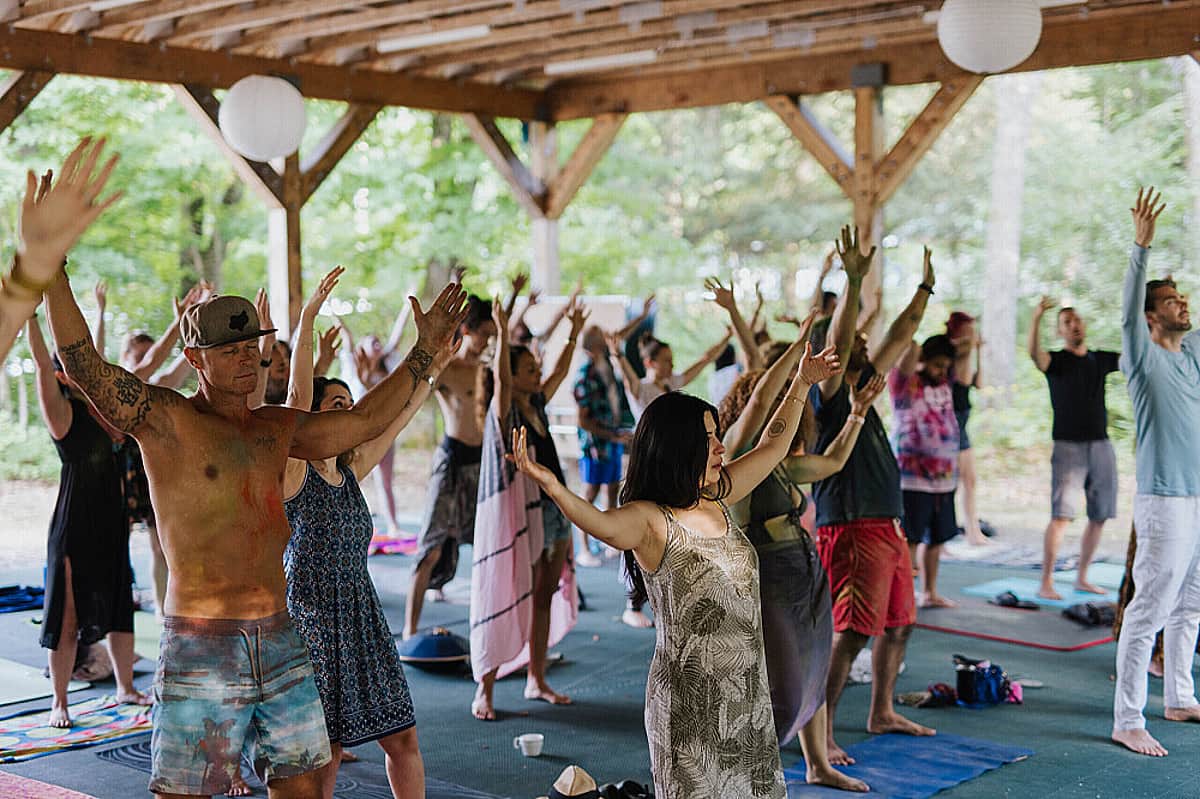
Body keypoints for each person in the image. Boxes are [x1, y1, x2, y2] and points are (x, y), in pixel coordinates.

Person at [38, 137, 468, 798]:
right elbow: (88, 370)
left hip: (283, 636)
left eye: (255, 346)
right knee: (187, 791)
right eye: (231, 348)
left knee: (300, 789)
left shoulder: (277, 429)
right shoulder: (168, 418)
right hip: (202, 638)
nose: (248, 358)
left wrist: (424, 355)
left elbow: (360, 424)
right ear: (196, 354)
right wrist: (52, 269)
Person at [509, 333, 840, 799]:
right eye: (709, 439)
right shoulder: (649, 520)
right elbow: (601, 525)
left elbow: (773, 446)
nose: (721, 447)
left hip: (746, 696)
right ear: (679, 446)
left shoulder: (718, 495)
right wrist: (552, 486)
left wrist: (802, 382)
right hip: (691, 708)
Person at [281, 265, 450, 799]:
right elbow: (293, 400)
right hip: (310, 619)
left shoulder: (352, 470)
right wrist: (306, 320)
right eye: (335, 407)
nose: (348, 414)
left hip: (363, 614)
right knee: (326, 752)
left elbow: (393, 420)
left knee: (402, 738)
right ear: (314, 417)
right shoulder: (293, 470)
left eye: (349, 407)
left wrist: (432, 368)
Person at [718, 314, 882, 794]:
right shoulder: (734, 455)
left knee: (815, 668)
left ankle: (817, 765)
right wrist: (798, 356)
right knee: (785, 686)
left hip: (806, 572)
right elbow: (762, 404)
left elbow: (832, 462)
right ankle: (749, 768)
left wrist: (857, 412)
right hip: (767, 576)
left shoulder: (785, 464)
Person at [812, 227, 937, 765]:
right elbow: (840, 341)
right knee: (853, 634)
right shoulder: (831, 393)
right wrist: (854, 277)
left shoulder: (865, 387)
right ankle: (824, 733)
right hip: (853, 525)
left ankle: (881, 709)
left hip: (886, 524)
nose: (864, 343)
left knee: (900, 623)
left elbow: (904, 333)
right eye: (853, 343)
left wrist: (924, 290)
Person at [27, 313, 151, 728]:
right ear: (64, 379)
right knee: (67, 615)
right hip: (74, 525)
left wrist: (92, 315)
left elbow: (90, 353)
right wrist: (32, 316)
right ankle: (58, 701)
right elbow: (44, 364)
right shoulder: (62, 416)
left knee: (120, 607)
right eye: (73, 372)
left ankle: (126, 686)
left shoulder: (104, 412)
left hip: (112, 522)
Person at [1113, 188, 1200, 758]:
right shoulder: (1141, 358)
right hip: (1163, 499)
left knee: (1192, 602)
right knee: (1151, 604)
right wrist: (1140, 249)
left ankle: (1179, 695)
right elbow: (1124, 314)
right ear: (1152, 316)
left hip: (1196, 498)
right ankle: (1127, 718)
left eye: (1183, 298)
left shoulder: (1192, 354)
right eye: (1171, 301)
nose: (1182, 305)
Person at [470, 299, 584, 720]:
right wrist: (501, 334)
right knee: (508, 589)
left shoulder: (536, 403)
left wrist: (573, 332)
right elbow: (499, 379)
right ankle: (485, 688)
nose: (538, 376)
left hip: (553, 514)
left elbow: (558, 371)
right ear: (513, 378)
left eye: (537, 371)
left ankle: (536, 679)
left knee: (542, 596)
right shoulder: (506, 411)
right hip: (520, 517)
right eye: (529, 371)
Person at [403, 295, 495, 639]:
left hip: (481, 463)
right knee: (432, 547)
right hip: (452, 460)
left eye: (491, 335)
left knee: (486, 548)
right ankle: (410, 630)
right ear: (467, 331)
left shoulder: (489, 372)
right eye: (482, 334)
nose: (487, 342)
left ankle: (485, 630)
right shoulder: (449, 368)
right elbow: (413, 379)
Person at [1028, 296, 1120, 599]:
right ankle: (1046, 582)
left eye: (1076, 319)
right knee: (1062, 516)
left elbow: (1136, 353)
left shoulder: (1100, 360)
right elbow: (1034, 355)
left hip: (1101, 444)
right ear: (1060, 332)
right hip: (1068, 446)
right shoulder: (1057, 362)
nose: (1074, 325)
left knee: (1100, 514)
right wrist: (1038, 316)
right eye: (1067, 322)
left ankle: (1082, 577)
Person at [890, 334, 960, 608]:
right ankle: (905, 596)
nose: (941, 371)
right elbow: (909, 354)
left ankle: (929, 592)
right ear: (923, 360)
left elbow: (964, 349)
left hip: (944, 477)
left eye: (945, 366)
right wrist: (916, 347)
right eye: (937, 365)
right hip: (913, 477)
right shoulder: (903, 383)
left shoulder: (944, 382)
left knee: (937, 538)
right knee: (911, 538)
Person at [573, 323, 634, 567]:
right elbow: (582, 420)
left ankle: (609, 539)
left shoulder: (606, 366)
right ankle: (584, 549)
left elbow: (620, 334)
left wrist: (640, 316)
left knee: (611, 489)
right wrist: (611, 436)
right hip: (595, 445)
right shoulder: (585, 375)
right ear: (594, 345)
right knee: (590, 493)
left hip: (612, 437)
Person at [612, 329, 732, 419]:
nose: (672, 365)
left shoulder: (672, 382)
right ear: (649, 363)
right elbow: (628, 377)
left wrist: (727, 337)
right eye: (666, 361)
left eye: (671, 360)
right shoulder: (641, 388)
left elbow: (705, 360)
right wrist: (617, 354)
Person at [947, 311, 987, 547]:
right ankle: (945, 535)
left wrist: (979, 351)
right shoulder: (951, 350)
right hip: (949, 421)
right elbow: (962, 377)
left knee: (970, 481)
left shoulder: (968, 350)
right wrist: (971, 346)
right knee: (949, 483)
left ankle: (973, 530)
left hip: (962, 420)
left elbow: (978, 382)